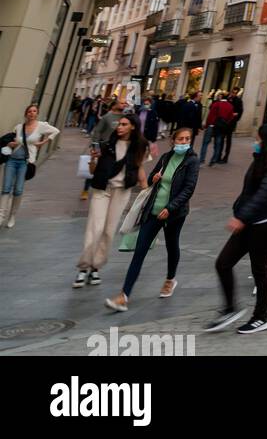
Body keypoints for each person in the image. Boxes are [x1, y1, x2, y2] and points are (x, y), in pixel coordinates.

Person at [208, 123, 267, 334]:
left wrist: (241, 217)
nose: (255, 142)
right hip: (248, 221)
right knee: (223, 263)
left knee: (260, 270)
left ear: (265, 140)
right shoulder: (264, 159)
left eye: (258, 139)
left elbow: (264, 192)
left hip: (263, 224)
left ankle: (260, 317)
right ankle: (230, 308)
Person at [105, 126, 200, 311]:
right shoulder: (166, 157)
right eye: (180, 139)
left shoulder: (192, 161)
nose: (184, 142)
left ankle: (170, 279)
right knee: (139, 251)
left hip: (174, 214)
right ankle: (124, 296)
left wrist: (170, 208)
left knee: (172, 246)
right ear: (173, 140)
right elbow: (149, 180)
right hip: (153, 211)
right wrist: (154, 178)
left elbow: (188, 189)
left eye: (187, 139)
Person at [74, 113, 148, 288]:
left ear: (133, 127)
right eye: (119, 124)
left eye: (124, 124)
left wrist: (146, 192)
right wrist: (93, 158)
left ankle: (95, 268)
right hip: (102, 190)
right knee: (95, 228)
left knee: (108, 231)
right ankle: (83, 268)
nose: (119, 127)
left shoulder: (140, 147)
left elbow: (140, 169)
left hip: (121, 192)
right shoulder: (107, 146)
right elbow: (92, 171)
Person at [0, 103, 60, 229]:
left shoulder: (41, 126)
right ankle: (1, 216)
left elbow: (55, 131)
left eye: (34, 111)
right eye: (29, 111)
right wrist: (11, 144)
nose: (31, 113)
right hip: (11, 160)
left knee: (18, 190)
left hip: (25, 162)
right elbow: (13, 141)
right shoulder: (18, 127)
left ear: (37, 113)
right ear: (26, 114)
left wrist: (43, 142)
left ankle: (12, 216)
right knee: (6, 188)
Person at [204, 92, 236, 166]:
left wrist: (207, 125)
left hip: (213, 125)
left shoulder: (216, 104)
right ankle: (214, 159)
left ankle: (202, 159)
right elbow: (231, 117)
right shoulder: (230, 106)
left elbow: (210, 115)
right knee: (218, 144)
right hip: (222, 127)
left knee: (205, 143)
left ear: (221, 97)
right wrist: (225, 123)